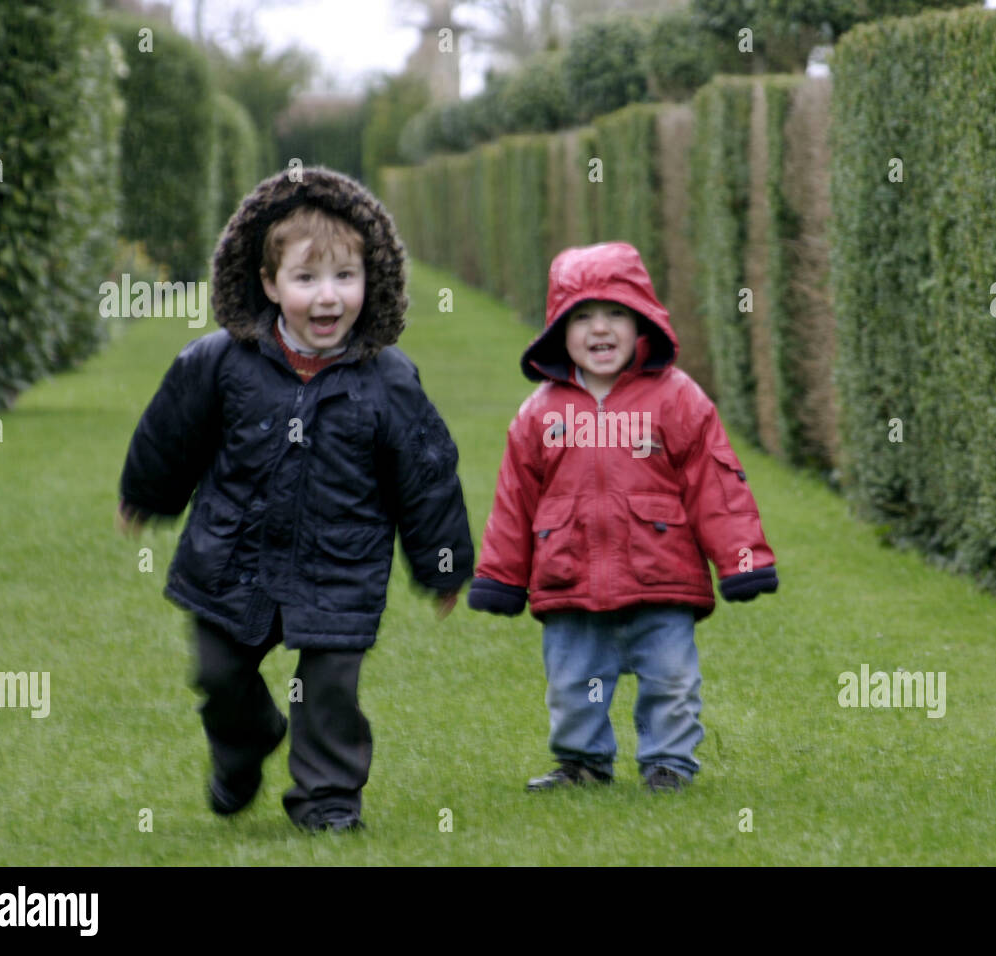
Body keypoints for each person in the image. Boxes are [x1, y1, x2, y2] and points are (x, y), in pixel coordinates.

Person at [117, 166, 473, 832]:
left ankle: (328, 802)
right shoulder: (221, 361)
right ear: (269, 284)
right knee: (219, 672)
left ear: (373, 281)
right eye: (306, 279)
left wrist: (442, 565)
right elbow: (172, 432)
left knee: (331, 690)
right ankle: (244, 744)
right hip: (231, 559)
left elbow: (427, 475)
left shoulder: (389, 382)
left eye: (345, 276)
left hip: (339, 566)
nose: (329, 297)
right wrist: (147, 493)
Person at [467, 241, 778, 793]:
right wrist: (499, 577)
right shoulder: (540, 413)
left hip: (662, 576)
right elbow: (514, 500)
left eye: (615, 313)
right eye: (581, 317)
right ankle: (582, 763)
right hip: (569, 577)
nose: (600, 329)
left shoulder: (678, 400)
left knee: (671, 680)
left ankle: (668, 764)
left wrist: (742, 559)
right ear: (558, 332)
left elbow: (716, 484)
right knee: (572, 683)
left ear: (643, 324)